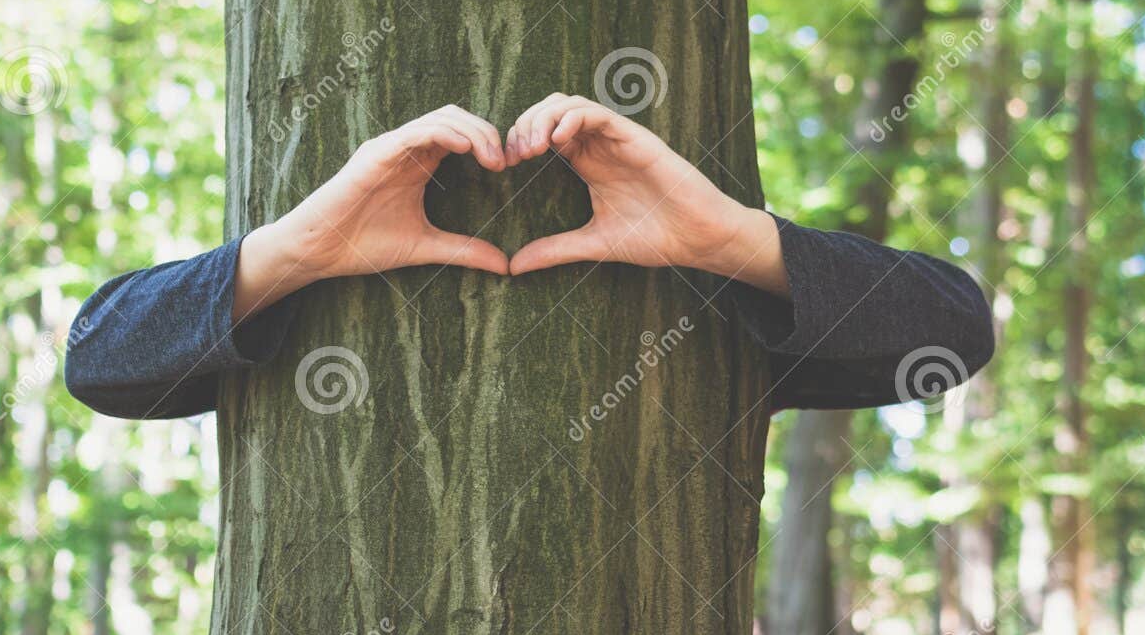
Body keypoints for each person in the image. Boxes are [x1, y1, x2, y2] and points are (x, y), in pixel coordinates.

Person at [65, 94, 994, 418]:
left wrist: (730, 240)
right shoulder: (296, 293)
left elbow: (954, 332)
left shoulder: (707, 302)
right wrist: (297, 252)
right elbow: (97, 359)